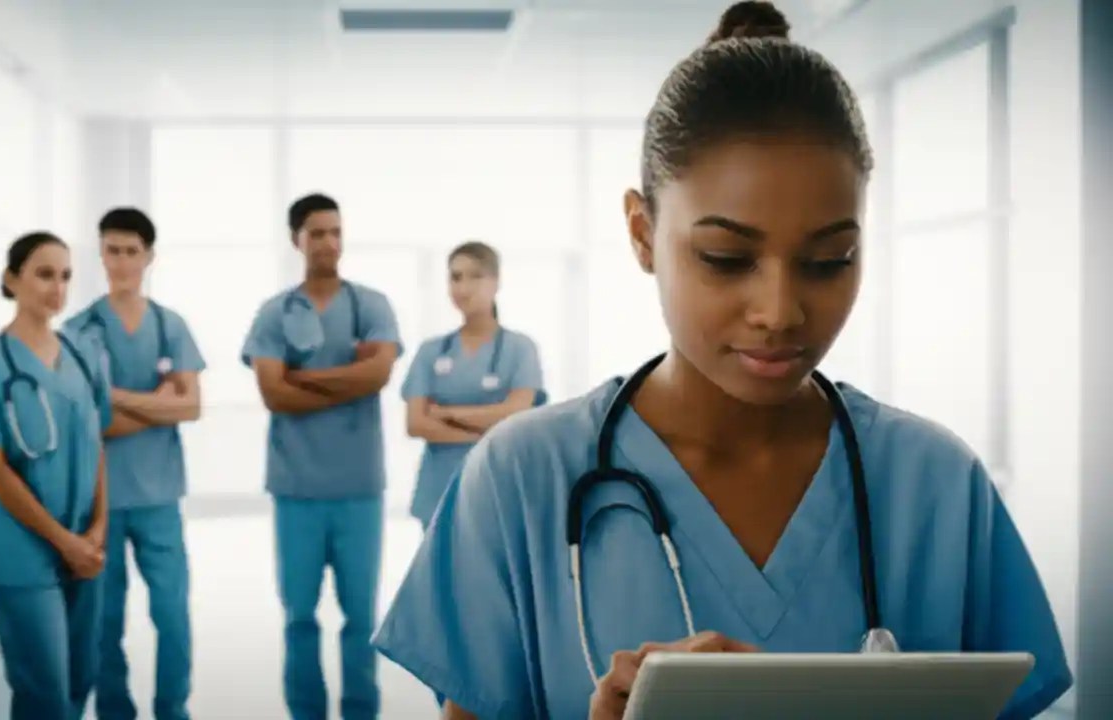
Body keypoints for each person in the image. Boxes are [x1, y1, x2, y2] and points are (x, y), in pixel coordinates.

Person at [371, 3, 1073, 719]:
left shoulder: (935, 486)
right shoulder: (523, 480)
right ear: (643, 233)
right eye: (727, 258)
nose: (780, 310)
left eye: (830, 260)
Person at [240, 193, 404, 720]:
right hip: (297, 490)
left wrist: (303, 375)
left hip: (358, 488)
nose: (329, 243)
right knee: (299, 617)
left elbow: (378, 376)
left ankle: (361, 712)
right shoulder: (274, 313)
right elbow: (273, 394)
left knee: (361, 617)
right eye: (317, 233)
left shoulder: (370, 305)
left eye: (336, 231)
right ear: (297, 240)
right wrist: (348, 380)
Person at [0, 231, 111, 719]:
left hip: (86, 544)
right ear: (10, 279)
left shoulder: (85, 357)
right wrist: (66, 542)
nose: (56, 287)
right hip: (23, 552)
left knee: (81, 680)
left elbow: (96, 445)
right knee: (44, 693)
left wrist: (98, 530)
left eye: (64, 276)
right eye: (43, 274)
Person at [64, 208, 205, 720]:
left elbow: (191, 406)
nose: (120, 262)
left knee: (172, 614)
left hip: (159, 496)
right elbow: (87, 422)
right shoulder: (78, 330)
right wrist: (156, 401)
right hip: (100, 500)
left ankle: (173, 710)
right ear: (100, 254)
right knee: (104, 621)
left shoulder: (171, 326)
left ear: (149, 257)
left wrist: (114, 399)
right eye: (111, 250)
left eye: (131, 251)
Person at [400, 241, 546, 528]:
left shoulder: (520, 348)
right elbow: (416, 423)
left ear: (496, 282)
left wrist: (446, 414)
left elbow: (517, 413)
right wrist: (489, 432)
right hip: (438, 490)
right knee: (440, 571)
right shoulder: (432, 351)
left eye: (475, 276)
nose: (463, 287)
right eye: (455, 277)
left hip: (498, 487)